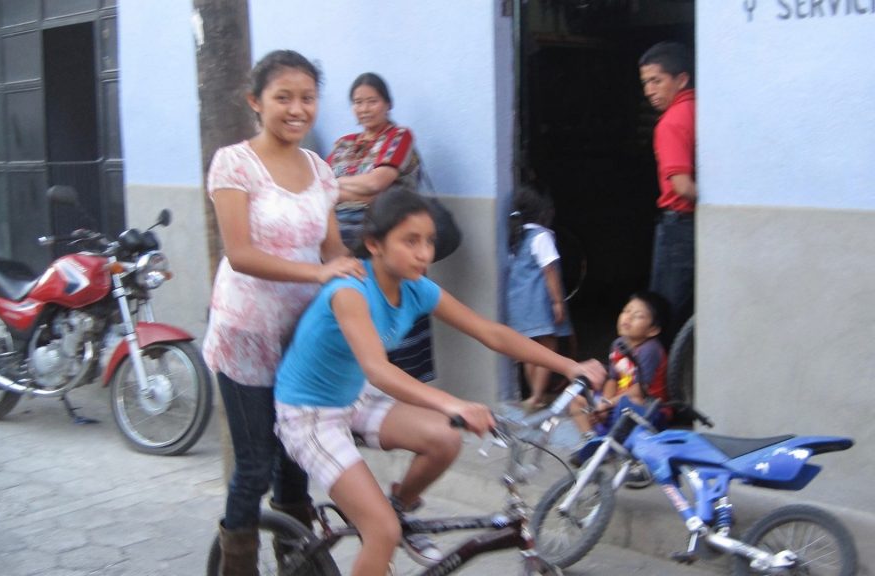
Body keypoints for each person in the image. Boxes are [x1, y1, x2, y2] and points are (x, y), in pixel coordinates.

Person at [274, 190, 605, 576]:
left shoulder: (415, 288)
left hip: (354, 395)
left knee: (445, 439)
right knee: (381, 532)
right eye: (410, 241)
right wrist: (454, 404)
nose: (424, 254)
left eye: (429, 241)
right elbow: (378, 369)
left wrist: (569, 366)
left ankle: (400, 506)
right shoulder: (350, 290)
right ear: (374, 244)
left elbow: (489, 332)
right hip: (310, 412)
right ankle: (389, 525)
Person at [203, 49, 365, 575]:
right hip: (246, 334)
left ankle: (296, 564)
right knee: (254, 466)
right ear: (256, 101)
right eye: (284, 97)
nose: (298, 109)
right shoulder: (234, 163)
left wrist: (369, 275)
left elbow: (332, 250)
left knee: (296, 463)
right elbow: (240, 254)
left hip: (303, 338)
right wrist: (319, 274)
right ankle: (238, 567)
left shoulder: (320, 170)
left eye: (308, 98)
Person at [326, 72, 435, 382]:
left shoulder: (399, 138)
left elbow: (377, 183)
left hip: (390, 240)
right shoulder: (344, 144)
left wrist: (336, 186)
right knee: (359, 313)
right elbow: (318, 183)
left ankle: (410, 388)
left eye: (371, 101)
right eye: (357, 102)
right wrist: (351, 189)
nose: (364, 108)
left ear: (387, 103)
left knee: (398, 309)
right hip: (344, 247)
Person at [640, 41, 696, 343]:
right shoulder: (703, 109)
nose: (649, 90)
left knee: (661, 311)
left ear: (681, 79)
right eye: (646, 83)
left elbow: (682, 186)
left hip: (679, 226)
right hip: (696, 226)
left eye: (656, 81)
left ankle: (655, 371)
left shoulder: (672, 121)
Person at [569, 291, 670, 444]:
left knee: (631, 402)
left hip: (648, 409)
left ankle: (616, 442)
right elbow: (612, 379)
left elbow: (640, 390)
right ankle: (591, 440)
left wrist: (608, 404)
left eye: (638, 316)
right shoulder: (618, 344)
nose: (628, 317)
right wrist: (604, 402)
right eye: (626, 311)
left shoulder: (650, 349)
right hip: (617, 402)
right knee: (576, 398)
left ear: (653, 330)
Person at [505, 186, 574, 410]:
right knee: (547, 348)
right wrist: (557, 301)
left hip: (518, 303)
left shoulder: (515, 237)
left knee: (529, 351)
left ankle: (533, 395)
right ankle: (536, 395)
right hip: (539, 302)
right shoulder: (542, 236)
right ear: (544, 212)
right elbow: (549, 270)